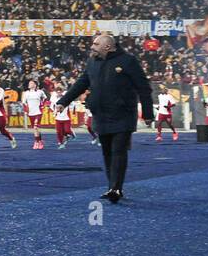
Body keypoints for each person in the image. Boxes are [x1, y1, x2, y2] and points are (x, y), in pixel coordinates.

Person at [54, 32, 154, 204]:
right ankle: (111, 186)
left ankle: (116, 188)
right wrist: (63, 101)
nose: (92, 47)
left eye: (95, 44)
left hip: (123, 114)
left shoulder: (128, 61)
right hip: (101, 114)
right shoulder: (93, 62)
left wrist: (147, 113)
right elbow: (81, 83)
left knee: (118, 151)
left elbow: (143, 87)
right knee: (107, 152)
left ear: (107, 46)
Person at [23, 78, 46, 150]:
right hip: (31, 112)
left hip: (38, 112)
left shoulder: (40, 92)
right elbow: (24, 102)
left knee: (36, 127)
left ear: (35, 85)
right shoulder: (26, 93)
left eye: (31, 83)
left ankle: (36, 142)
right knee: (35, 128)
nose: (30, 84)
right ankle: (40, 141)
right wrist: (26, 111)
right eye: (29, 83)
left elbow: (45, 98)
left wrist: (42, 106)